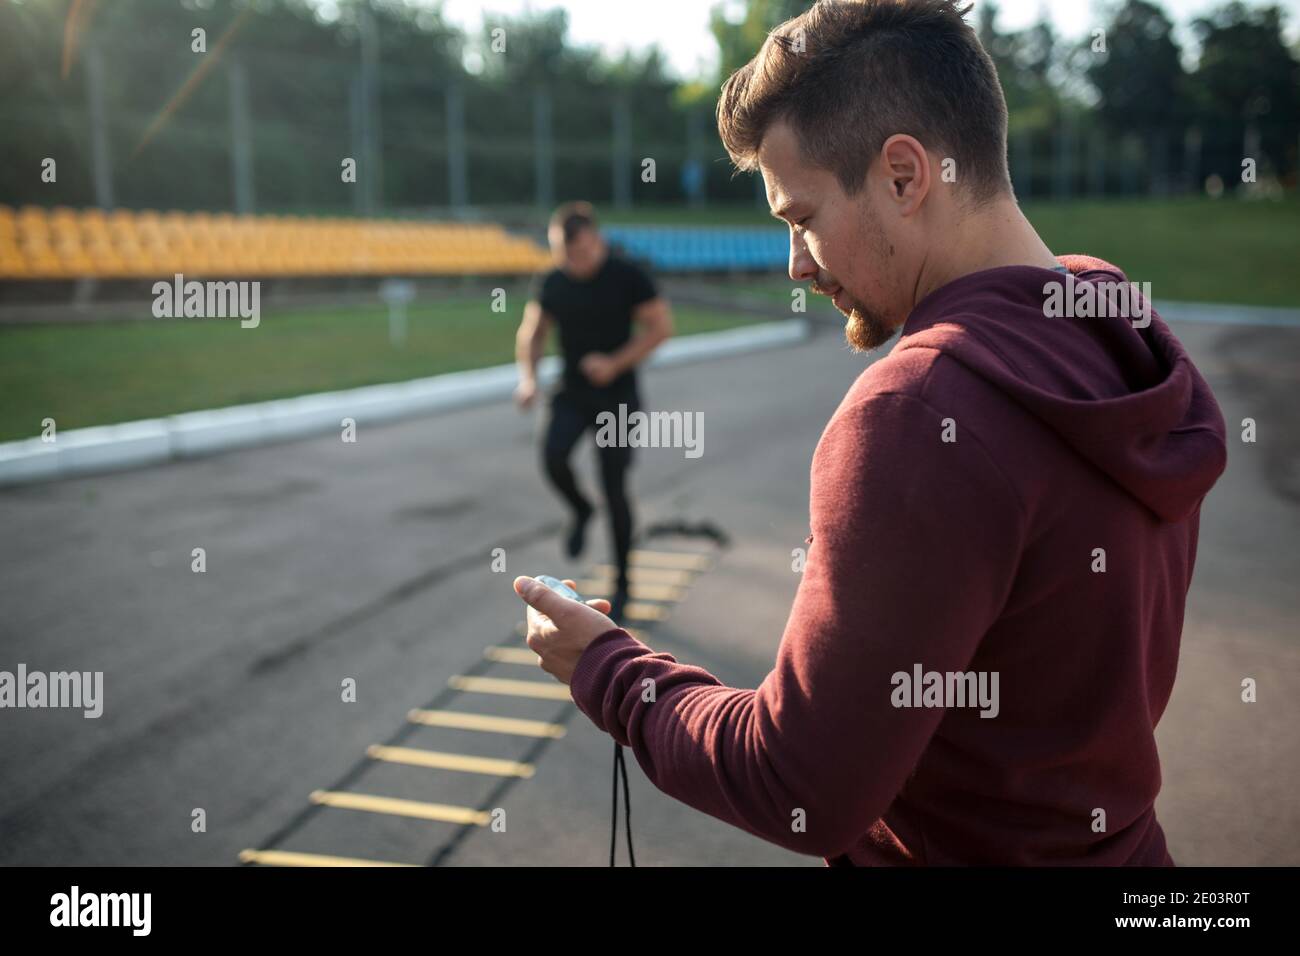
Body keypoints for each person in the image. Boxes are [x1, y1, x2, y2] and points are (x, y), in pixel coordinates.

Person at [512, 0, 1228, 866]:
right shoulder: (1112, 323)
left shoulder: (918, 410)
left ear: (903, 175)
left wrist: (610, 672)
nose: (797, 265)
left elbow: (800, 785)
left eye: (802, 218)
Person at [514, 202, 674, 623]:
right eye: (563, 254)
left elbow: (660, 327)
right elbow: (532, 332)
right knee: (552, 458)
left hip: (616, 395)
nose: (573, 261)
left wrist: (614, 363)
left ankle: (623, 584)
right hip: (572, 392)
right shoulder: (553, 281)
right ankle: (581, 510)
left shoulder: (627, 275)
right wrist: (528, 379)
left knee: (614, 487)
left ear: (596, 240)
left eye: (580, 252)